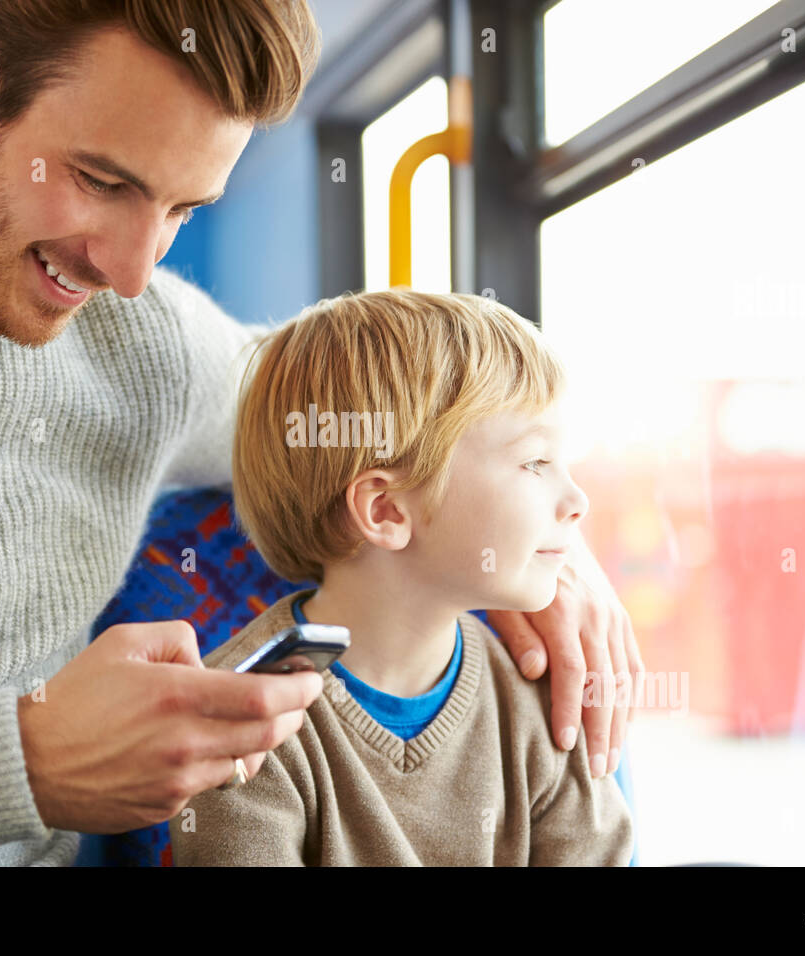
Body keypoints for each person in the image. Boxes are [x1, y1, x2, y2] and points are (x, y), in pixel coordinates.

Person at [0, 0, 640, 866]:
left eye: (183, 210)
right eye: (103, 181)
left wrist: (545, 537)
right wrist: (13, 765)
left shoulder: (138, 341)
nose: (134, 270)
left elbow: (393, 420)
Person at [168, 290, 632, 865]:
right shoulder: (245, 721)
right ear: (386, 510)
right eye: (535, 462)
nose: (577, 500)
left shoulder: (538, 695)